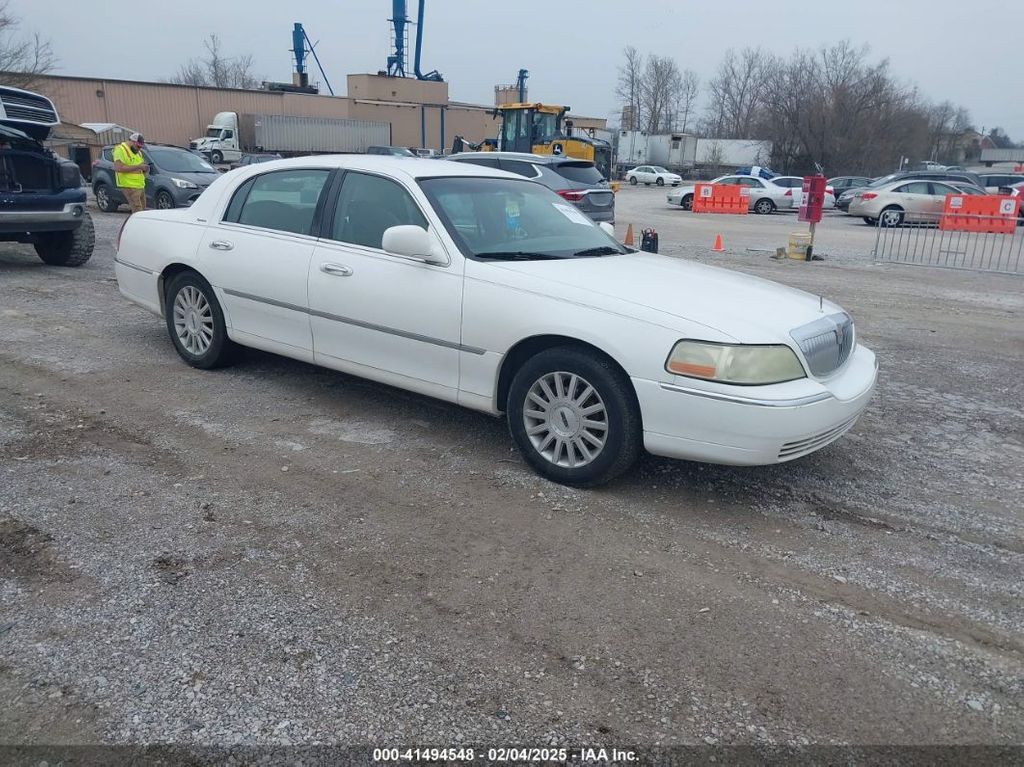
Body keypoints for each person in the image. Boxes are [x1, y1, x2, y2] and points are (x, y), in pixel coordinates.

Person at [112, 132, 149, 213]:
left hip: (140, 185)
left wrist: (144, 169)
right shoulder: (120, 150)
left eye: (141, 147)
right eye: (138, 146)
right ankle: (137, 225)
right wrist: (139, 167)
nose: (139, 148)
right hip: (129, 185)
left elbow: (139, 165)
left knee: (143, 211)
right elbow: (118, 168)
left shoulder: (138, 152)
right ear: (132, 141)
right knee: (137, 211)